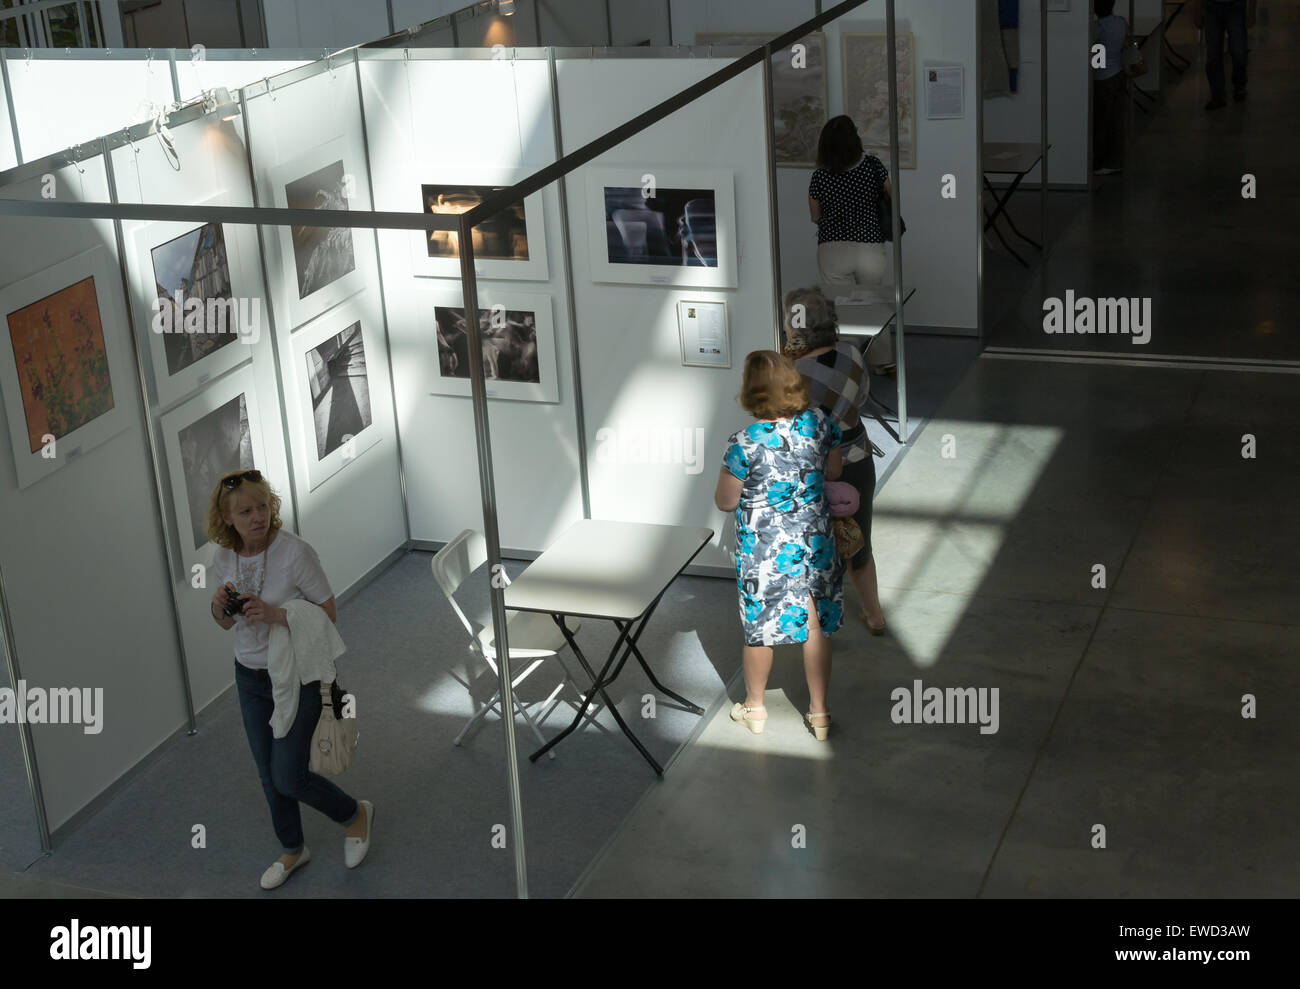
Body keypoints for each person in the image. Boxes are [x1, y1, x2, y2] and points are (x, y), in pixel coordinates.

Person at [207, 469, 373, 890]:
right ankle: (293, 848)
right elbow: (224, 626)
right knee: (268, 773)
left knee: (288, 776)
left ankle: (354, 815)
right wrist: (219, 608)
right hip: (249, 676)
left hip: (298, 675)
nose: (257, 517)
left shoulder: (295, 552)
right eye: (245, 511)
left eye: (262, 506)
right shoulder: (223, 559)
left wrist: (279, 614)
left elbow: (329, 611)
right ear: (227, 518)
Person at [715, 351, 844, 741]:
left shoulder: (744, 444)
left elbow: (725, 501)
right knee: (815, 623)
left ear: (751, 390)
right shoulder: (821, 423)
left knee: (760, 629)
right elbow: (834, 471)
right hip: (814, 540)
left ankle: (755, 708)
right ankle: (819, 713)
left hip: (764, 550)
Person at [783, 287, 887, 635]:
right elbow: (862, 396)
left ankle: (816, 624)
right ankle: (874, 615)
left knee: (813, 550)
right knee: (858, 540)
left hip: (815, 471)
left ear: (799, 329)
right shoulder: (854, 354)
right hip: (858, 459)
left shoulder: (794, 373)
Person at [808, 114, 896, 373]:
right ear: (855, 140)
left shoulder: (820, 177)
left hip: (833, 248)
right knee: (873, 303)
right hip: (870, 246)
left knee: (841, 309)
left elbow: (815, 217)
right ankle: (882, 362)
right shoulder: (873, 166)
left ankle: (849, 365)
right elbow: (893, 198)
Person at [1194, 0, 1257, 109]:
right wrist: (1197, 11)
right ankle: (1217, 94)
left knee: (1239, 51)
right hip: (1212, 8)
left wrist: (1252, 12)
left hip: (1235, 7)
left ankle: (1239, 84)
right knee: (1213, 54)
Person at [1093, 0, 1127, 175]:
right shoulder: (1121, 22)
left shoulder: (1097, 27)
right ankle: (1115, 160)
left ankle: (1102, 161)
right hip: (1118, 74)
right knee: (1115, 120)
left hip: (1101, 79)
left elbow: (1092, 53)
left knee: (1101, 122)